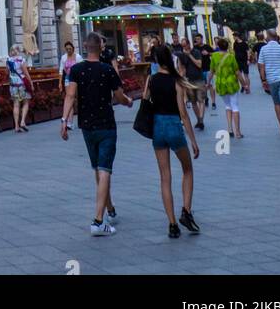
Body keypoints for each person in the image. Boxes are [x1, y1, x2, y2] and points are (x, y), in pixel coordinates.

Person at [63, 32, 131, 236]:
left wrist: (64, 121)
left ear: (85, 47)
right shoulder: (108, 70)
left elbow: (70, 95)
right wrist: (128, 101)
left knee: (99, 169)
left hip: (87, 126)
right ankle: (98, 220)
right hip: (106, 124)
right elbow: (119, 97)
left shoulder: (76, 70)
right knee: (105, 170)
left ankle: (110, 210)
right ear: (101, 48)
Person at [144, 45, 200, 238]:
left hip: (157, 128)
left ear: (155, 60)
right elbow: (183, 114)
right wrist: (193, 141)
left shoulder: (150, 80)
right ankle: (186, 210)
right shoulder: (176, 81)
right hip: (173, 126)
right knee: (187, 169)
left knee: (164, 177)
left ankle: (172, 224)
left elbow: (145, 103)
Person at [210, 38, 242, 138]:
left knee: (227, 106)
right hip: (231, 83)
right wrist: (244, 83)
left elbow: (211, 71)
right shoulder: (231, 57)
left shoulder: (214, 56)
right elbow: (237, 72)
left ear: (218, 46)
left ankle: (229, 128)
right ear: (227, 46)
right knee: (235, 107)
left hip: (221, 84)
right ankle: (238, 132)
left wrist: (207, 83)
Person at [177, 37, 206, 130]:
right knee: (193, 102)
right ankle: (199, 120)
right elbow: (182, 68)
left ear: (189, 44)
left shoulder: (196, 52)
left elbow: (199, 64)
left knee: (201, 100)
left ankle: (201, 119)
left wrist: (189, 55)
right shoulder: (182, 55)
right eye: (182, 46)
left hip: (199, 79)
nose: (184, 48)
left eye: (185, 45)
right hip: (189, 81)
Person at [7, 45, 33, 131]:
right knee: (25, 102)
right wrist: (31, 82)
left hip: (13, 84)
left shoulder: (8, 60)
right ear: (18, 50)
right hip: (22, 84)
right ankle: (22, 122)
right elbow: (25, 73)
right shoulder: (21, 60)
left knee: (16, 104)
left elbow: (7, 72)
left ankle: (16, 126)